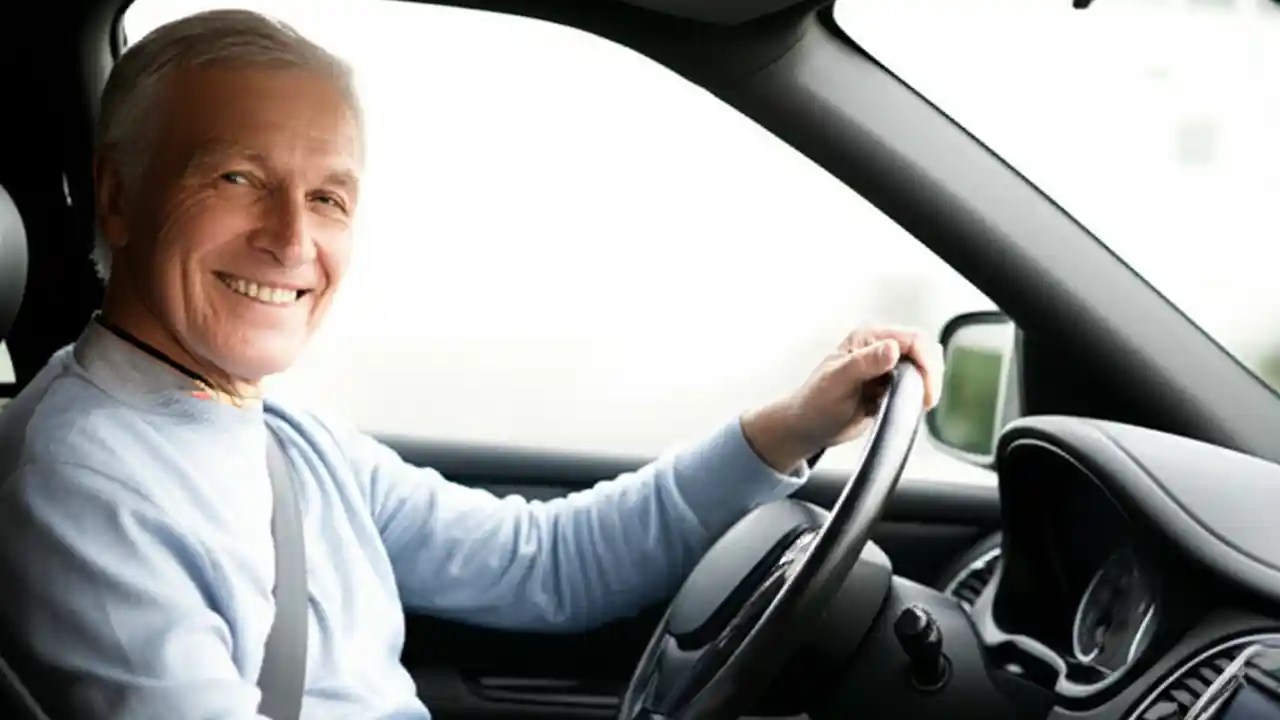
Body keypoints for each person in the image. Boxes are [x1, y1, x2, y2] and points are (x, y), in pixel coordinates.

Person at [0, 9, 943, 720]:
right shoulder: (81, 485)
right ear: (119, 199)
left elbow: (545, 563)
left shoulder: (276, 434)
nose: (291, 240)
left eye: (327, 198)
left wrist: (793, 426)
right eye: (237, 178)